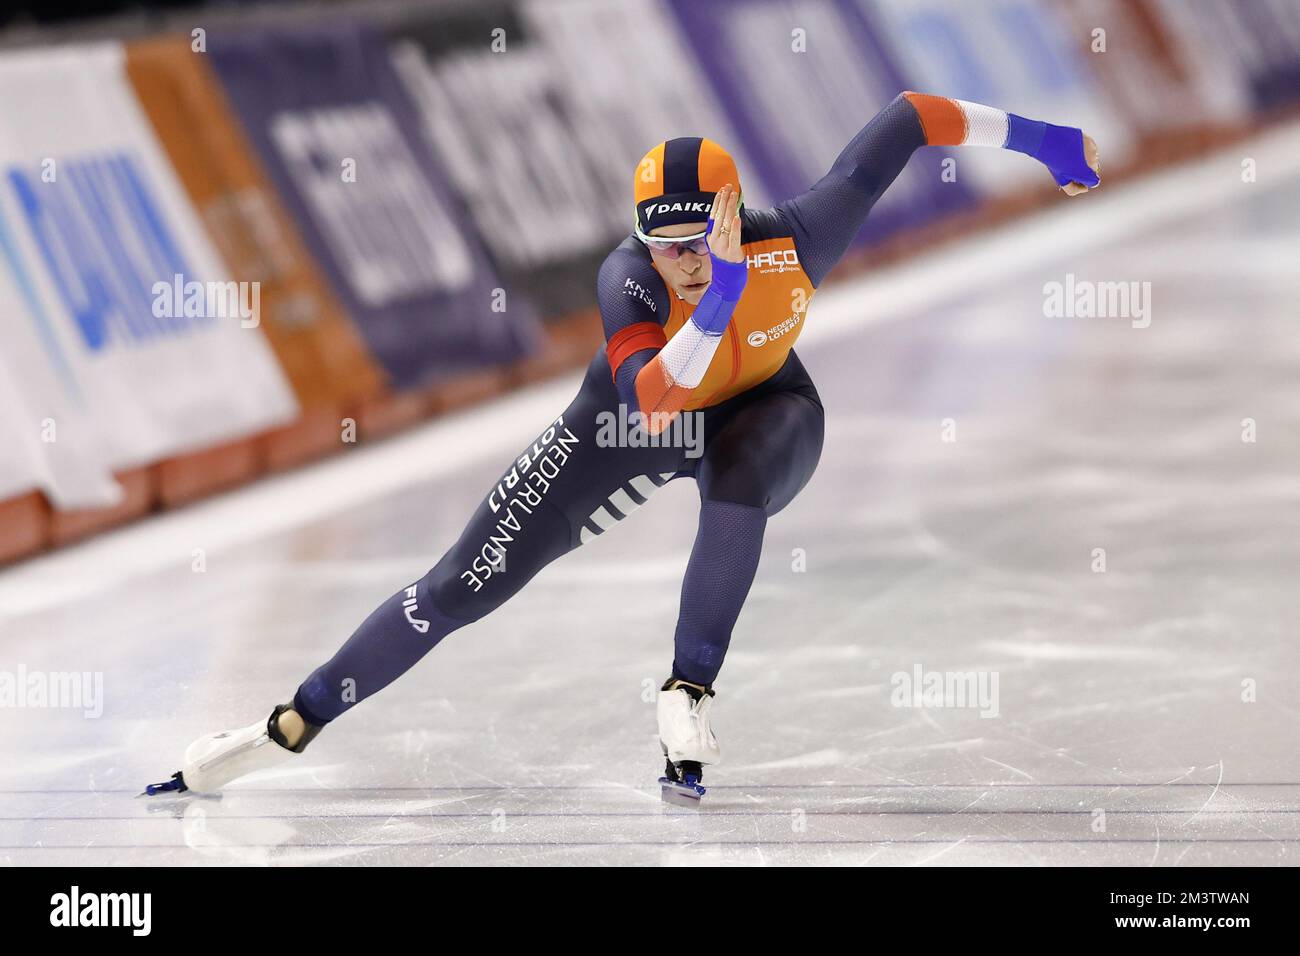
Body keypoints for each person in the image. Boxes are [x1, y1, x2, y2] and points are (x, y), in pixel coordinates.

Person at [147, 92, 1100, 802]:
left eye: (695, 241)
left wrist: (1043, 139)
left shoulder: (801, 238)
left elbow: (913, 118)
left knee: (741, 471)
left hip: (765, 413)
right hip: (621, 431)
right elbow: (653, 398)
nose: (677, 260)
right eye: (661, 242)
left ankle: (687, 689)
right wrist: (715, 297)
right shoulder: (628, 279)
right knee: (455, 589)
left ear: (732, 213)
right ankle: (289, 723)